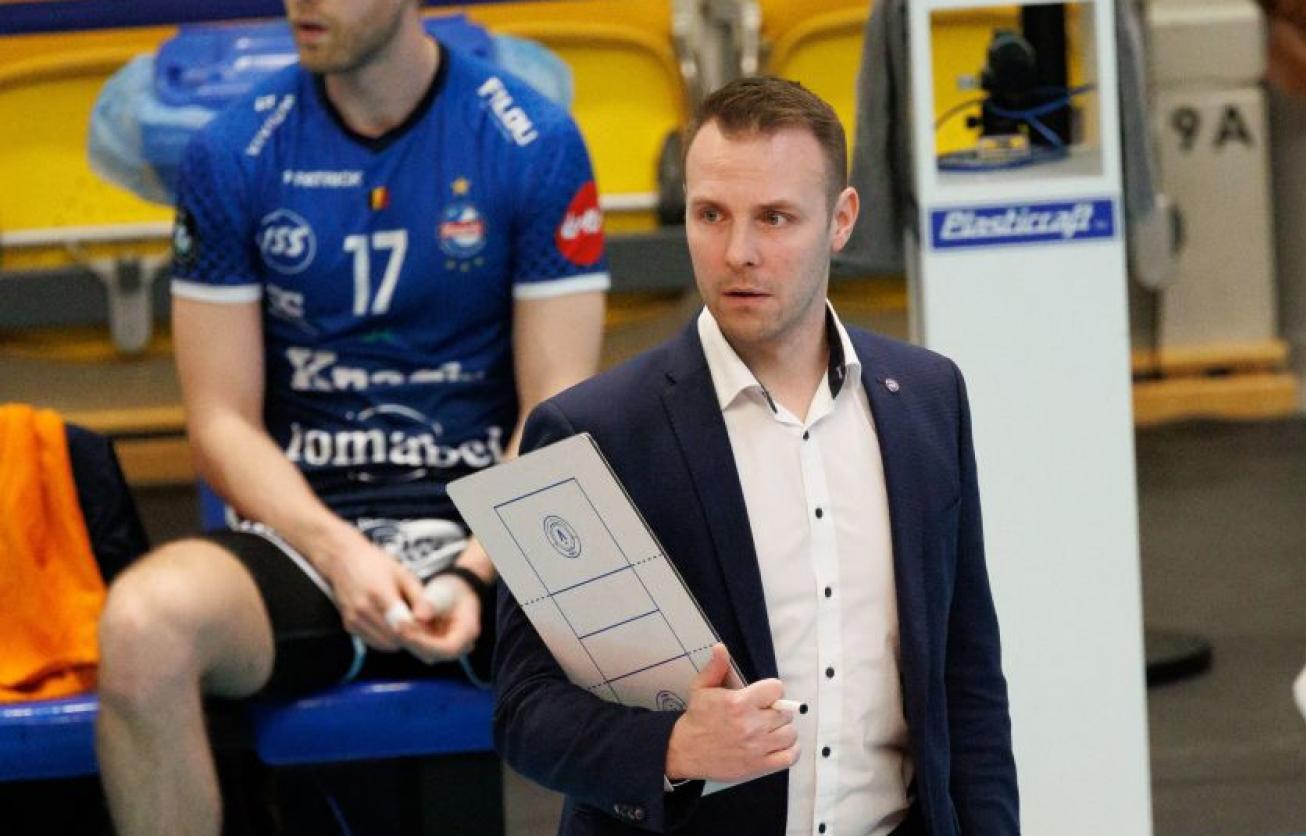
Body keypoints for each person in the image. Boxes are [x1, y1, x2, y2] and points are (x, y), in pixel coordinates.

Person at [93, 1, 608, 833]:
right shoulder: (232, 151)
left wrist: (475, 572)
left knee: (625, 628)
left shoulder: (533, 141)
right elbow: (220, 422)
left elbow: (556, 412)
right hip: (304, 534)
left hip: (494, 526)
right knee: (141, 626)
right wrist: (339, 554)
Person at [494, 76, 1018, 836]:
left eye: (775, 218)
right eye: (711, 215)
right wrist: (672, 747)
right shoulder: (590, 432)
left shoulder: (929, 399)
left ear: (842, 220)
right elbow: (525, 708)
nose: (738, 253)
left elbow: (967, 683)